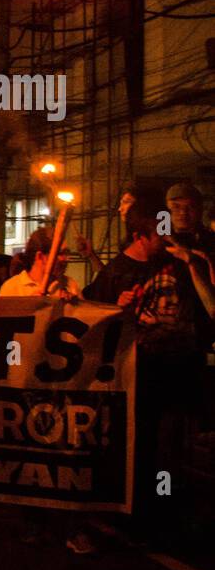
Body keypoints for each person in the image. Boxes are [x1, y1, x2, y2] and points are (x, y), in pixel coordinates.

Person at [85, 197, 215, 547]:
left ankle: (170, 512)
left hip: (177, 374)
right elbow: (92, 321)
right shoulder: (115, 273)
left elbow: (204, 307)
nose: (168, 237)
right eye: (161, 231)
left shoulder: (177, 263)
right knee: (141, 448)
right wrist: (116, 307)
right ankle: (139, 515)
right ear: (142, 234)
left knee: (173, 450)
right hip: (138, 380)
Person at [0, 227, 81, 298]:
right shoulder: (12, 288)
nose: (67, 258)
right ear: (40, 257)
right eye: (61, 253)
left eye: (67, 252)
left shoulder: (70, 286)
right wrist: (30, 306)